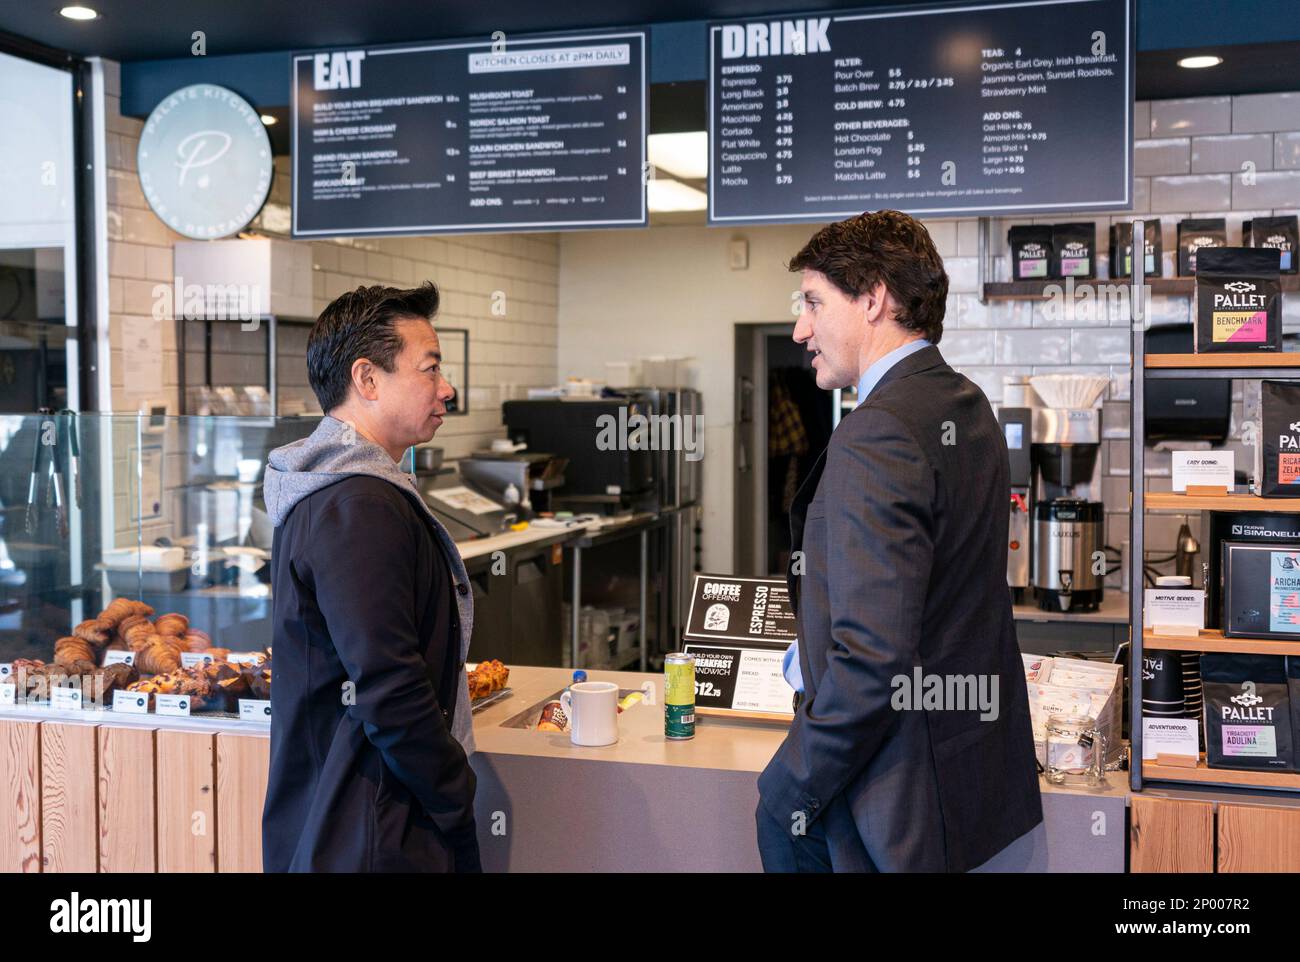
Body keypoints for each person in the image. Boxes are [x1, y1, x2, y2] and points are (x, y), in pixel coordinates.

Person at [756, 210, 1042, 872]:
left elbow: (873, 658)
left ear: (874, 298)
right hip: (969, 784)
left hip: (892, 799)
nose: (801, 329)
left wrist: (789, 785)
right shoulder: (964, 404)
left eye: (813, 302)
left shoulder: (876, 434)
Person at [261, 281, 480, 872]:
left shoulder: (344, 493)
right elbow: (386, 682)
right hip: (373, 831)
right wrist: (454, 788)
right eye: (430, 369)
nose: (447, 388)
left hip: (351, 819)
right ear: (367, 379)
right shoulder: (357, 505)